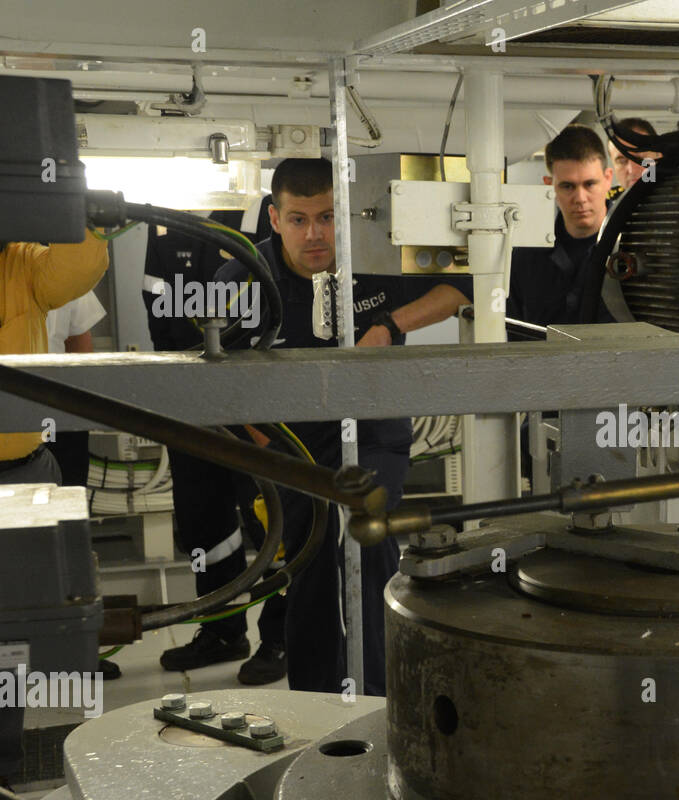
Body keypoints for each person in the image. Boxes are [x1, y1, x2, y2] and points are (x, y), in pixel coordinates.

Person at [215, 159, 472, 696]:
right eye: (299, 219)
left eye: (329, 217)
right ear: (273, 217)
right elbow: (222, 384)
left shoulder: (377, 259)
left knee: (369, 537)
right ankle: (315, 699)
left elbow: (461, 288)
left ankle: (380, 695)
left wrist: (389, 324)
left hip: (375, 430)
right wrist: (273, 458)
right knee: (309, 559)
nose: (316, 235)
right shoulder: (240, 278)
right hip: (292, 444)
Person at [143, 202, 290, 684]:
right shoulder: (165, 213)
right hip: (191, 401)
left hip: (259, 408)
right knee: (202, 521)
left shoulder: (267, 211)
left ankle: (280, 637)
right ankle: (223, 630)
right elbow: (157, 306)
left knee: (272, 521)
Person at [0, 229, 108, 787]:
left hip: (23, 476)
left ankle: (7, 753)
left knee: (15, 629)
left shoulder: (25, 265)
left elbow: (82, 264)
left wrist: (58, 196)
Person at [506, 124, 615, 336]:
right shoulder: (525, 258)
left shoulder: (633, 247)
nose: (580, 198)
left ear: (608, 179)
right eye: (568, 186)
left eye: (589, 184)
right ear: (550, 185)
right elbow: (516, 340)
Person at [44, 289, 104, 487]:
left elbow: (78, 342)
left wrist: (77, 410)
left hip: (54, 403)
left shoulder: (63, 268)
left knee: (66, 489)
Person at [607, 118, 662, 199]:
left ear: (659, 157)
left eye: (640, 160)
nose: (632, 170)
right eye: (622, 161)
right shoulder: (604, 204)